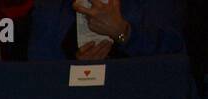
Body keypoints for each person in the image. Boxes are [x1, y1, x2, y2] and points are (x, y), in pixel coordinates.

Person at [27, 0, 185, 60]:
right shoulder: (51, 8)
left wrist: (122, 33)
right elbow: (41, 75)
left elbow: (175, 53)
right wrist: (78, 72)